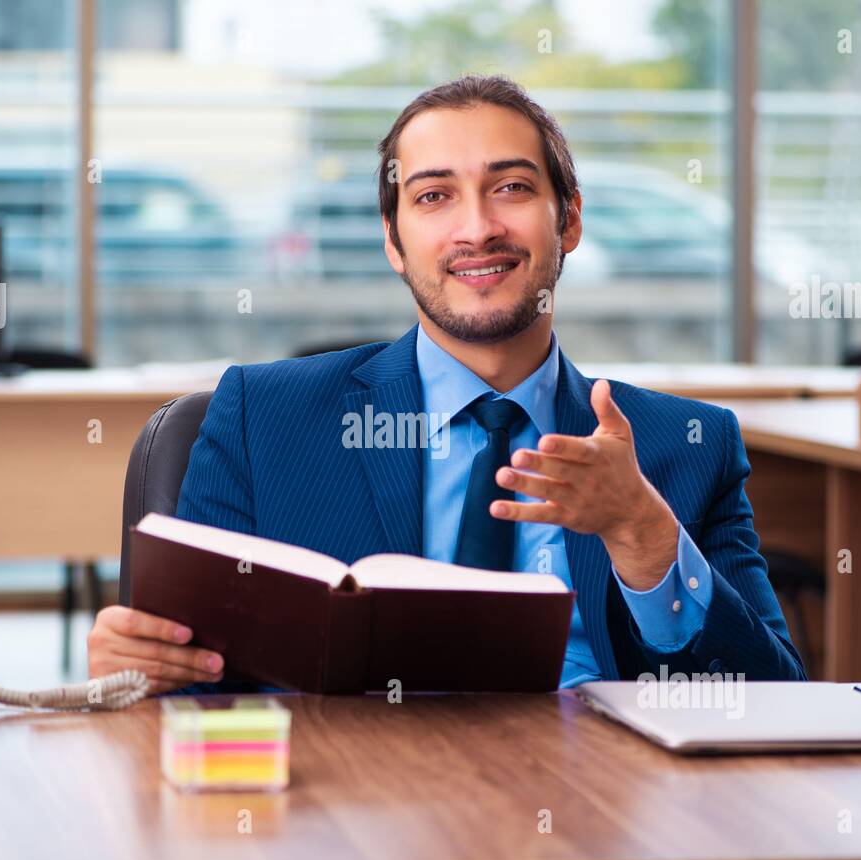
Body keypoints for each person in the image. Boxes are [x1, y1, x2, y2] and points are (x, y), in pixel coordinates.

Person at [88, 74, 806, 694]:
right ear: (394, 242)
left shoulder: (687, 445)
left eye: (513, 188)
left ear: (571, 219)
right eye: (434, 197)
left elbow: (773, 707)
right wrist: (139, 666)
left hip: (598, 819)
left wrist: (642, 530)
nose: (477, 227)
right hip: (351, 816)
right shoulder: (263, 419)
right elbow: (190, 691)